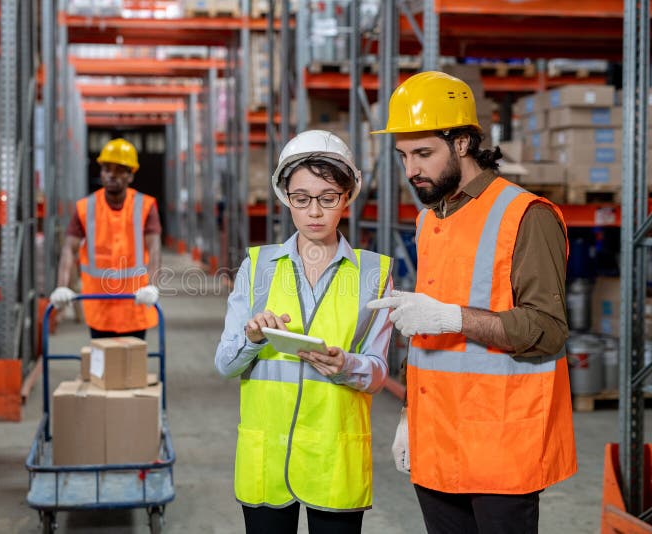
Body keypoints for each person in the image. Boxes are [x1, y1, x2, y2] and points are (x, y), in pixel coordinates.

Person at [368, 71, 576, 534]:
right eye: (403, 156)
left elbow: (547, 330)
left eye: (424, 154)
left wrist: (451, 318)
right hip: (436, 439)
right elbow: (424, 333)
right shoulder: (429, 220)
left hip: (501, 446)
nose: (411, 169)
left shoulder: (526, 215)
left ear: (462, 142)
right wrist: (408, 415)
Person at [215, 130, 394, 534]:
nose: (314, 211)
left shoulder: (374, 273)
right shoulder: (257, 267)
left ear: (347, 197)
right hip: (268, 458)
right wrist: (253, 339)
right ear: (286, 198)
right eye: (301, 198)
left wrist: (347, 366)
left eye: (328, 198)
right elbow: (225, 364)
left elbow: (379, 372)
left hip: (334, 459)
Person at [50, 137, 161, 340]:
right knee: (102, 357)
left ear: (131, 175)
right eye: (107, 169)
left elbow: (154, 248)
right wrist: (62, 285)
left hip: (135, 304)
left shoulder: (145, 206)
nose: (111, 174)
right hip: (99, 305)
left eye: (119, 169)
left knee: (133, 358)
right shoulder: (86, 208)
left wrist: (152, 285)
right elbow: (69, 249)